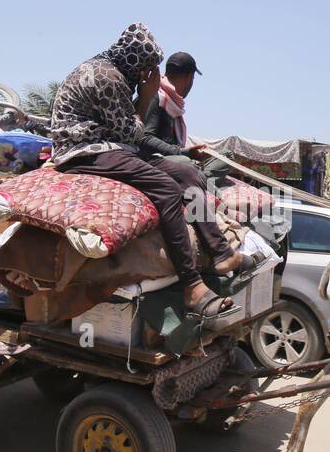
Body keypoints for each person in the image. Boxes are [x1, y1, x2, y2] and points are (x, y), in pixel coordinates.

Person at [48, 23, 257, 321]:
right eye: (146, 68)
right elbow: (134, 133)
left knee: (187, 176)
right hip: (85, 150)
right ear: (135, 61)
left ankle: (222, 253)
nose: (148, 75)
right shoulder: (109, 77)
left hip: (112, 146)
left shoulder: (116, 73)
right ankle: (192, 285)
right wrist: (146, 95)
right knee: (168, 188)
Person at [138, 51, 200, 158]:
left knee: (226, 156)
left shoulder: (173, 104)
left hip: (171, 159)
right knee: (187, 164)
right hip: (153, 160)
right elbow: (144, 138)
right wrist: (182, 153)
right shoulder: (156, 96)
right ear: (189, 78)